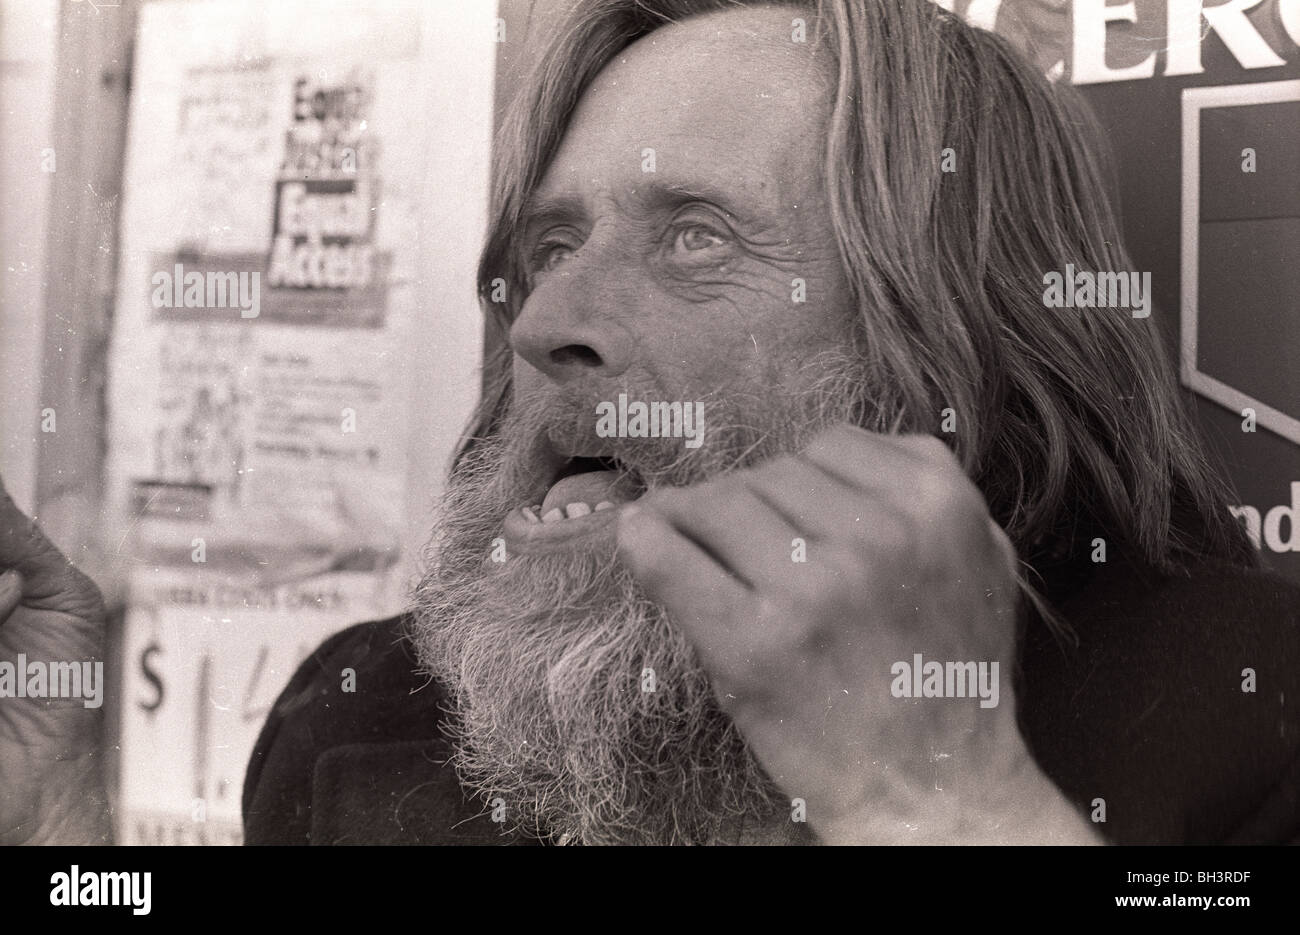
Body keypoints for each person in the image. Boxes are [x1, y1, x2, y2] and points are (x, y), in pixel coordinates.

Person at [3, 0, 1296, 846]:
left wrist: (936, 801)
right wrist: (50, 817)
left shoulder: (1249, 722)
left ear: (951, 337)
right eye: (551, 243)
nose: (544, 320)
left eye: (692, 238)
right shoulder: (374, 711)